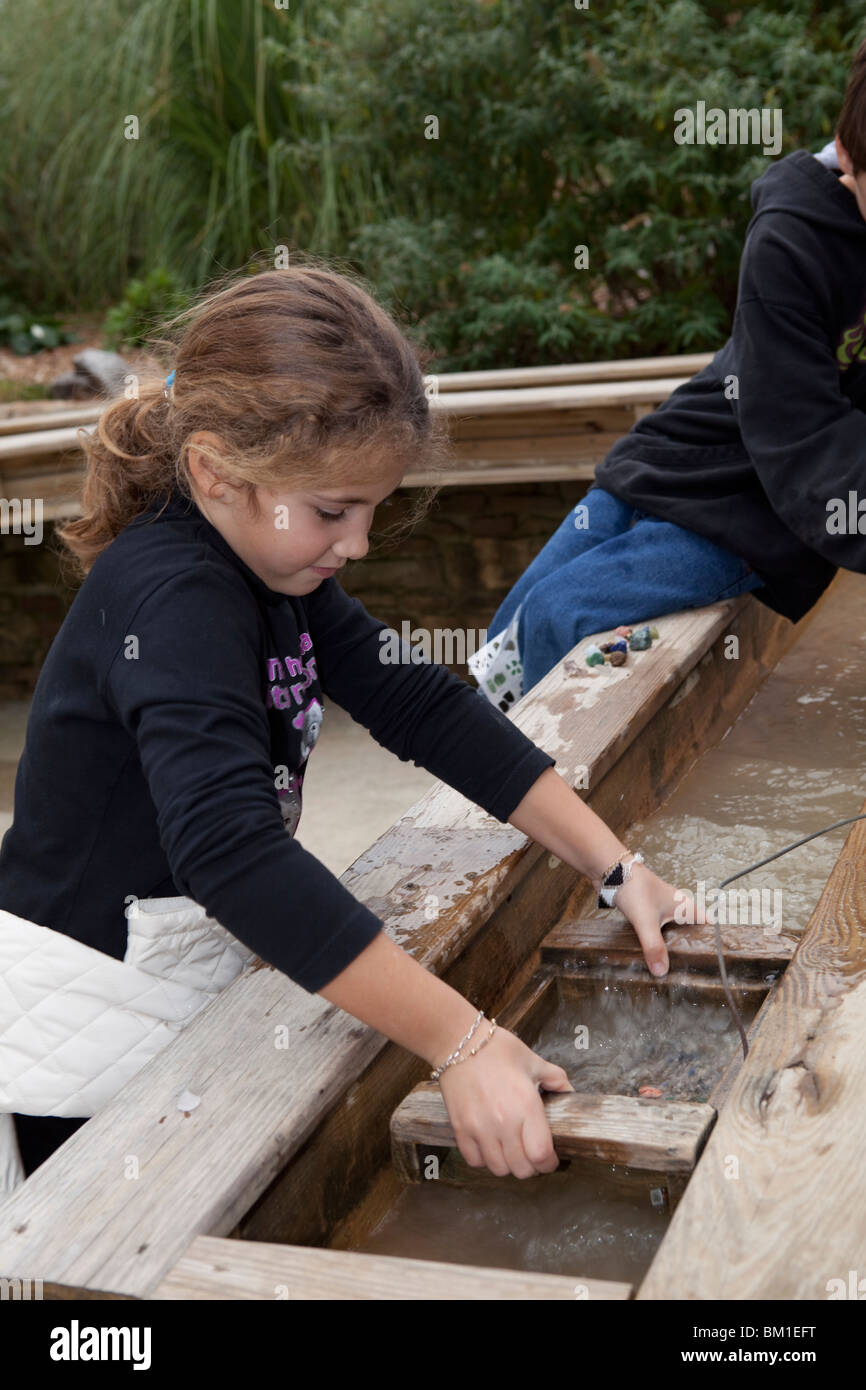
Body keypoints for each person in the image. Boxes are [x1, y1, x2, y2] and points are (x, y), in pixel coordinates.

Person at [0, 262, 699, 1191]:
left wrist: (616, 869)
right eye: (333, 510)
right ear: (213, 471)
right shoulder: (173, 597)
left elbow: (421, 704)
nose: (359, 542)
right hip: (85, 1014)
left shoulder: (274, 565)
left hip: (180, 952)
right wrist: (464, 1043)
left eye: (373, 508)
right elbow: (231, 852)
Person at [471, 39, 866, 712]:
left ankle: (540, 806)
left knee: (561, 618)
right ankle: (493, 799)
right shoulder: (790, 242)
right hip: (685, 459)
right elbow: (797, 430)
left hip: (751, 519)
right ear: (850, 154)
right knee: (510, 631)